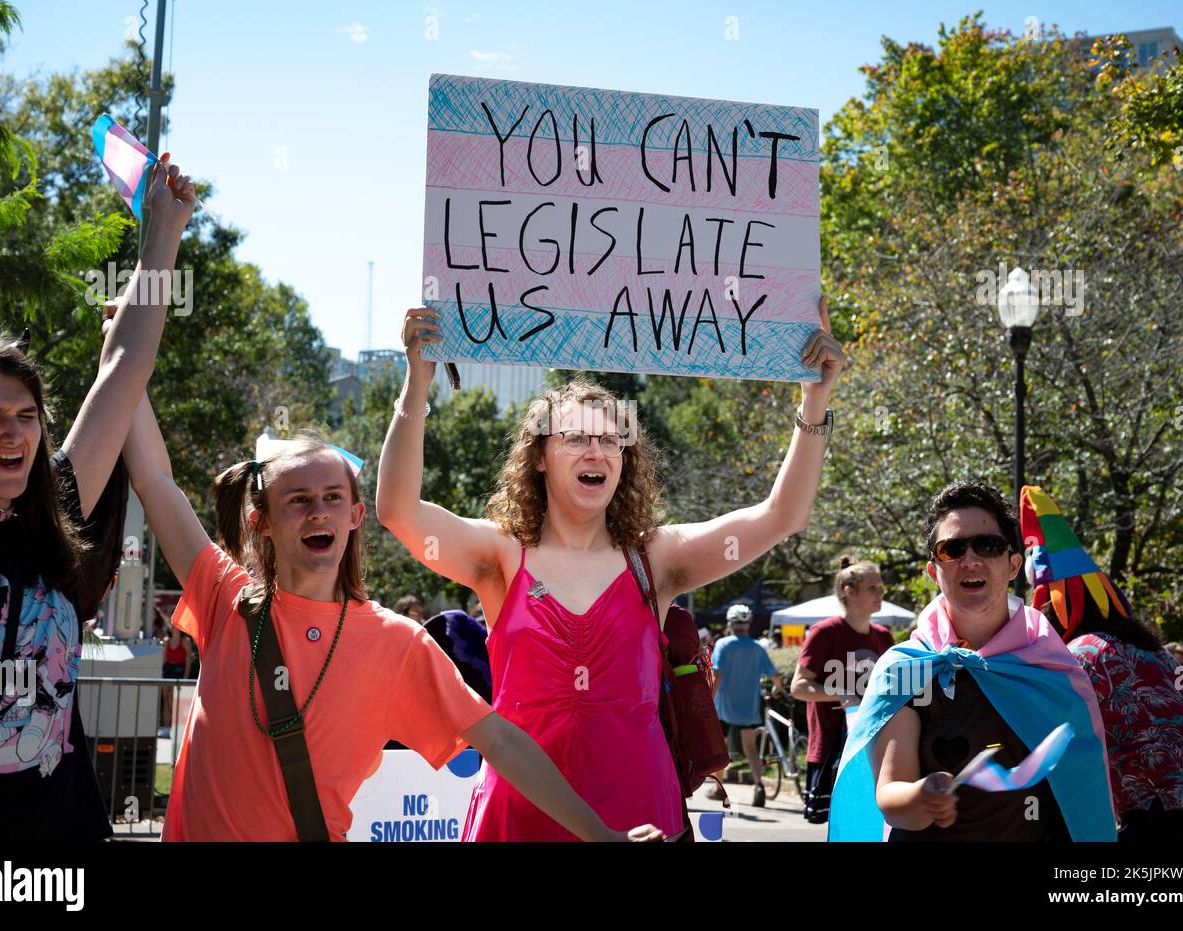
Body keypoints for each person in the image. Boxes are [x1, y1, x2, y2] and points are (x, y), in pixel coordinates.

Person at [376, 299, 845, 840]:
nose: (596, 451)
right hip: (518, 812)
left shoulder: (658, 559)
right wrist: (416, 385)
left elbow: (782, 516)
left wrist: (815, 399)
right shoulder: (500, 555)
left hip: (640, 809)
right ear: (538, 456)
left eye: (610, 440)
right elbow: (397, 511)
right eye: (575, 438)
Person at [120, 390, 662, 842]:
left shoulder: (396, 644)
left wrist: (602, 836)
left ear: (355, 515)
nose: (318, 511)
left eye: (333, 497)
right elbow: (153, 479)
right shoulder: (224, 597)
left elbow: (501, 742)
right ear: (261, 522)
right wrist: (124, 365)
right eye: (298, 500)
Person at [0, 154, 196, 839]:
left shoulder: (57, 517)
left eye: (27, 415)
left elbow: (124, 365)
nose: (15, 432)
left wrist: (162, 232)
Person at [829, 481, 1116, 841]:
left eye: (988, 545)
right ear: (934, 571)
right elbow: (891, 796)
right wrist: (921, 797)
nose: (971, 559)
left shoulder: (1052, 666)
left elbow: (1083, 791)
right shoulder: (904, 669)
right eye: (952, 549)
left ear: (1013, 565)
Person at [1022, 485, 1183, 843]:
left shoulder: (1082, 654)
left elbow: (1047, 740)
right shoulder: (1150, 648)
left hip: (1169, 815)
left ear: (1055, 609)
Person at [791, 556, 893, 824]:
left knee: (868, 822)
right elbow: (799, 686)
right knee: (835, 823)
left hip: (872, 746)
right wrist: (841, 693)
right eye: (873, 588)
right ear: (850, 591)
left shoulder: (883, 636)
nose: (881, 593)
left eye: (881, 587)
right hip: (833, 747)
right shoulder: (825, 632)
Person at [708, 604, 782, 807]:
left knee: (720, 747)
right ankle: (759, 784)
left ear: (730, 623)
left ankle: (718, 788)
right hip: (748, 707)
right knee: (750, 748)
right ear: (748, 624)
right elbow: (775, 675)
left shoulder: (723, 644)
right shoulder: (757, 647)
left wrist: (708, 698)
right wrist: (777, 690)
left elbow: (717, 674)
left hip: (723, 706)